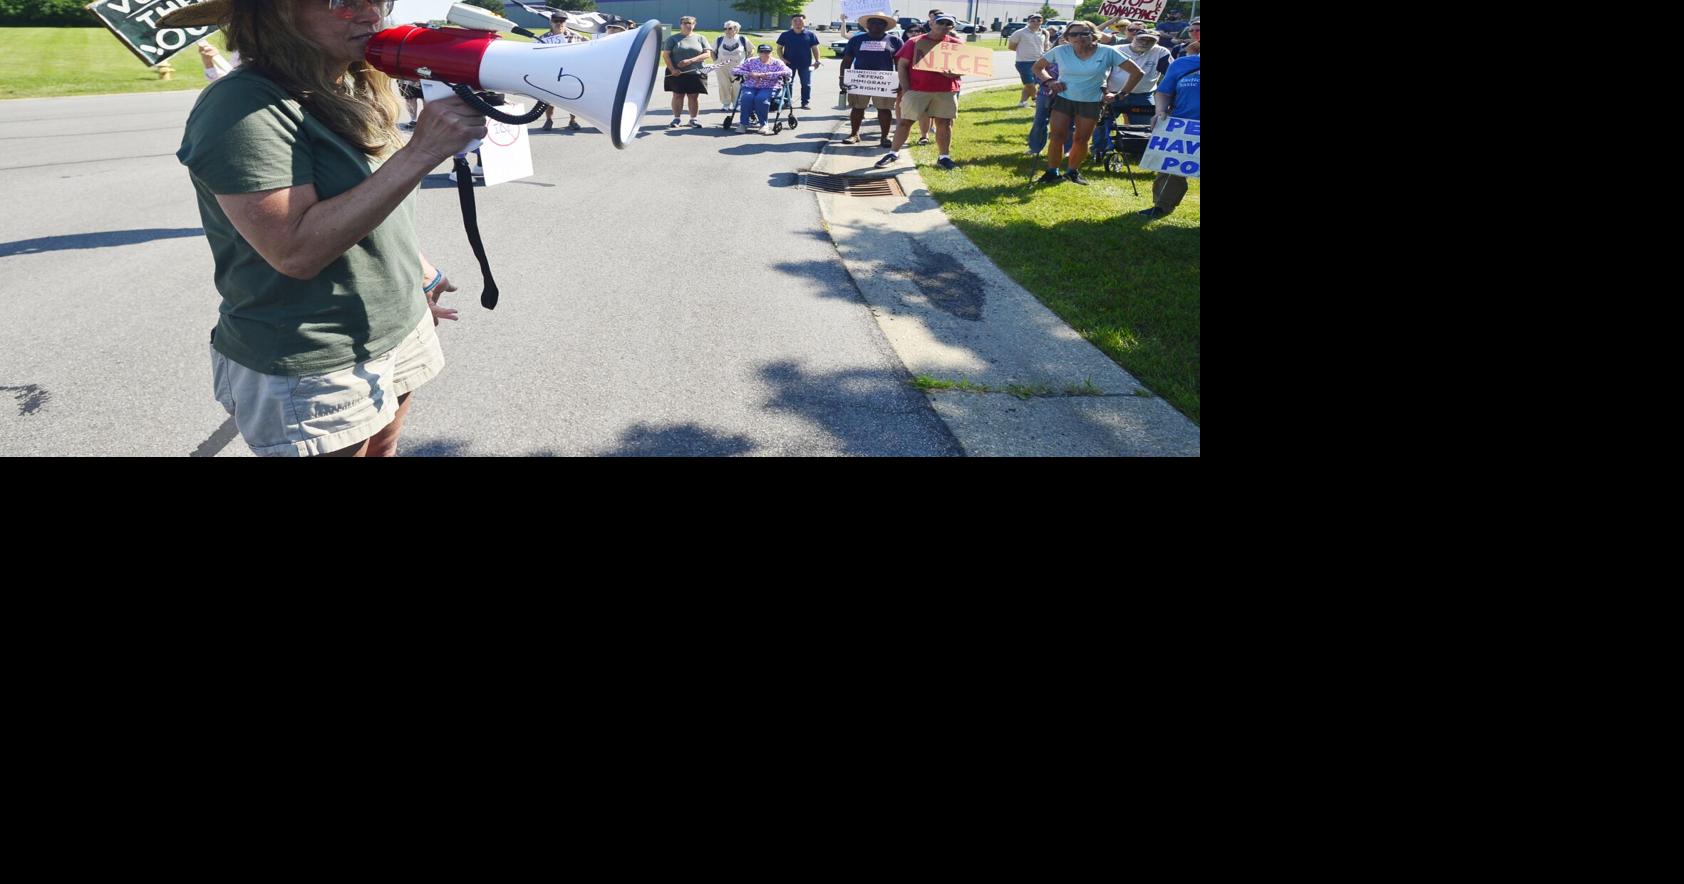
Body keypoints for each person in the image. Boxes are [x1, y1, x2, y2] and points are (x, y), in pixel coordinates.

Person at [166, 0, 480, 457]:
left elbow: (369, 201)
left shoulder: (348, 83)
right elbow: (294, 251)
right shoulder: (240, 105)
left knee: (383, 449)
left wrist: (416, 270)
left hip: (395, 325)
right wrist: (420, 152)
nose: (371, 14)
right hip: (314, 354)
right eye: (342, 1)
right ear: (274, 15)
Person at [1031, 20, 1141, 186]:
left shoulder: (1107, 52)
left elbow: (1137, 72)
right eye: (1074, 34)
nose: (1079, 37)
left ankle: (1072, 172)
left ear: (1093, 35)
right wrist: (1050, 82)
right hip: (1063, 99)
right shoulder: (1061, 50)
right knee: (1056, 136)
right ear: (1067, 37)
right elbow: (1037, 68)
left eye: (1084, 33)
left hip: (1092, 102)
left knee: (1081, 139)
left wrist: (1121, 94)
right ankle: (1052, 172)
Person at [874, 14, 963, 171]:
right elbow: (902, 65)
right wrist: (907, 89)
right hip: (917, 90)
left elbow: (963, 68)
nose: (943, 26)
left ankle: (944, 157)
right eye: (940, 23)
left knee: (944, 123)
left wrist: (954, 74)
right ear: (931, 23)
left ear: (952, 27)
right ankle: (893, 153)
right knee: (905, 122)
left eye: (948, 24)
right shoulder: (914, 42)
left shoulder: (956, 44)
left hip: (946, 91)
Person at [1139, 48, 1199, 219]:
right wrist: (1160, 112)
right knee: (1171, 169)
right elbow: (1164, 92)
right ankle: (1162, 206)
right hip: (1183, 126)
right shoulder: (1182, 64)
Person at [1092, 31, 1170, 157]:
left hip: (1143, 94)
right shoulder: (1116, 49)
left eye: (1150, 41)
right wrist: (1105, 91)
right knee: (1102, 122)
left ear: (1156, 42)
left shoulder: (1161, 52)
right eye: (1141, 39)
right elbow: (1101, 73)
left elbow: (1171, 74)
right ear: (1133, 37)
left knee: (1146, 126)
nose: (1145, 43)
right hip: (1113, 94)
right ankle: (1099, 150)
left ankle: (1139, 151)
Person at [838, 13, 902, 147]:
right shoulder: (856, 40)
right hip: (859, 81)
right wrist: (842, 78)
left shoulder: (894, 40)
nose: (876, 25)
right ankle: (854, 134)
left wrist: (901, 81)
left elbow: (900, 64)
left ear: (885, 26)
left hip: (885, 81)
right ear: (867, 25)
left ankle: (885, 137)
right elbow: (846, 61)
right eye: (872, 22)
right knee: (857, 108)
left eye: (880, 23)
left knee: (884, 110)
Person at [661, 16, 712, 128]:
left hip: (696, 72)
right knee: (678, 95)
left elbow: (707, 54)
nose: (687, 25)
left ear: (694, 25)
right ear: (680, 25)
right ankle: (676, 119)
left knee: (693, 96)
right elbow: (666, 55)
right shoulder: (672, 39)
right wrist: (672, 69)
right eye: (685, 23)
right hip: (677, 73)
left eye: (690, 23)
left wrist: (690, 61)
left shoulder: (701, 38)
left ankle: (693, 120)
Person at [537, 13, 582, 132]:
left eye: (562, 21)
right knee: (548, 99)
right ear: (551, 22)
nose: (559, 23)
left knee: (572, 97)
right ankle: (549, 120)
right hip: (550, 73)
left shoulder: (575, 36)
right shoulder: (542, 38)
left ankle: (572, 120)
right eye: (556, 21)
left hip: (570, 73)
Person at [733, 44, 790, 135]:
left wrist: (768, 74)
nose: (764, 54)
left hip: (770, 86)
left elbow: (788, 72)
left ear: (771, 53)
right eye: (762, 52)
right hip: (751, 86)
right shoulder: (751, 61)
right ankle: (743, 124)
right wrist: (751, 74)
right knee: (746, 97)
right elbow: (735, 70)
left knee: (761, 98)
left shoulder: (777, 62)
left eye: (767, 52)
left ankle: (763, 124)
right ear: (758, 53)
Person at [1026, 60, 1074, 158]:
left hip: (1068, 95)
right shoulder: (1049, 55)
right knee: (1040, 121)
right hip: (1045, 93)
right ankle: (1035, 148)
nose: (1066, 43)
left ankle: (1068, 149)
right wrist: (1049, 82)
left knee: (1068, 123)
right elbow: (1037, 73)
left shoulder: (1076, 56)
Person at [776, 14, 821, 110]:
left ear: (804, 22)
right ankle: (787, 102)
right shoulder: (785, 35)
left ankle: (805, 103)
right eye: (795, 21)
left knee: (806, 84)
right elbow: (779, 48)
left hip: (805, 64)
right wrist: (782, 59)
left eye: (800, 21)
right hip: (788, 64)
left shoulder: (810, 35)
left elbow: (815, 49)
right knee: (788, 83)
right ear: (791, 22)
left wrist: (817, 60)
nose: (798, 23)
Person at [713, 21, 753, 126]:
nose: (727, 31)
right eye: (725, 28)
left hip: (738, 67)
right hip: (722, 67)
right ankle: (726, 104)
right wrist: (715, 61)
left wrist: (746, 61)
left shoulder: (742, 39)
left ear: (736, 29)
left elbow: (751, 50)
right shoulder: (719, 39)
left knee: (738, 85)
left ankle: (737, 104)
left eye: (729, 28)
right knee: (723, 85)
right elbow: (712, 51)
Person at [1007, 13, 1048, 108]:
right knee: (1029, 83)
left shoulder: (1045, 32)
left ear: (1042, 21)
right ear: (1028, 21)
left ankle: (1022, 102)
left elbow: (1045, 46)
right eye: (1033, 20)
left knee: (1031, 85)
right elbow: (1011, 47)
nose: (1036, 22)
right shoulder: (1020, 32)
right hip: (1023, 62)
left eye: (1039, 20)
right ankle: (1036, 100)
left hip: (1039, 62)